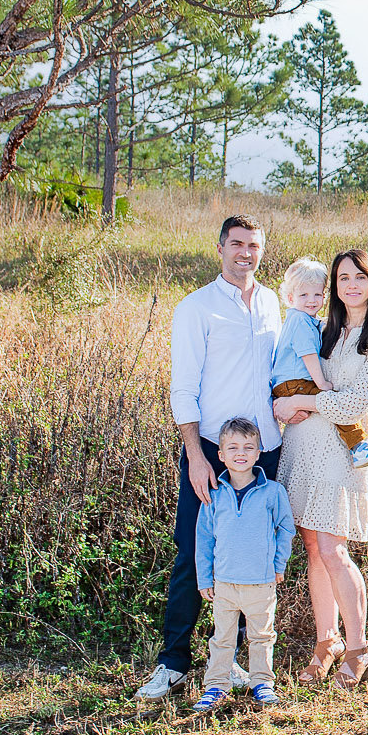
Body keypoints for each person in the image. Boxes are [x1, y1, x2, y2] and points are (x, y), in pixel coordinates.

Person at [135, 214, 282, 701]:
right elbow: (184, 389)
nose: (246, 253)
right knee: (193, 556)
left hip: (263, 454)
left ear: (262, 251)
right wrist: (197, 456)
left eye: (254, 245)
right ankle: (173, 664)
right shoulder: (195, 308)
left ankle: (235, 663)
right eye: (237, 244)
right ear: (220, 248)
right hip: (214, 455)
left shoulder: (271, 304)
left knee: (251, 560)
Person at [272, 248, 368, 691]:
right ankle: (325, 642)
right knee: (313, 548)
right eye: (342, 278)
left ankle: (359, 647)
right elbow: (290, 372)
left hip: (343, 454)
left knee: (333, 548)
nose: (351, 286)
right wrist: (281, 405)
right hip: (302, 448)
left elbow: (354, 403)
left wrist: (301, 402)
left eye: (359, 277)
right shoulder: (322, 329)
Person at [191, 416, 296, 714]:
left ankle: (262, 682)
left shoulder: (273, 492)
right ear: (221, 454)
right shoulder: (214, 493)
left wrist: (278, 565)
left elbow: (285, 529)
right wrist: (204, 577)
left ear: (259, 451)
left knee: (262, 635)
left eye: (249, 447)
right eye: (233, 447)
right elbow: (204, 538)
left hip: (261, 581)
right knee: (221, 637)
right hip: (224, 582)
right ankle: (216, 686)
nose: (241, 453)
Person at [269, 257, 368, 469]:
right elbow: (308, 356)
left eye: (317, 294)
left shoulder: (313, 322)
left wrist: (294, 403)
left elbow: (357, 402)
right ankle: (359, 446)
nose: (311, 300)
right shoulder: (301, 321)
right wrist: (322, 384)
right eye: (303, 295)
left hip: (290, 386)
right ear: (290, 297)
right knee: (329, 399)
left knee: (329, 402)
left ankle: (358, 446)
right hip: (294, 383)